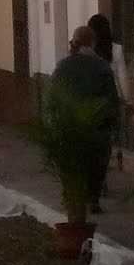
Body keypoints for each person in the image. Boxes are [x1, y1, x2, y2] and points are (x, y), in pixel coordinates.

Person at [51, 26, 120, 213]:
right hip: (97, 126)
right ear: (93, 43)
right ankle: (93, 199)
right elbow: (112, 98)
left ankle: (72, 196)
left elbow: (53, 98)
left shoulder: (62, 67)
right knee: (97, 163)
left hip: (69, 125)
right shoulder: (103, 66)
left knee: (71, 162)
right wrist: (113, 122)